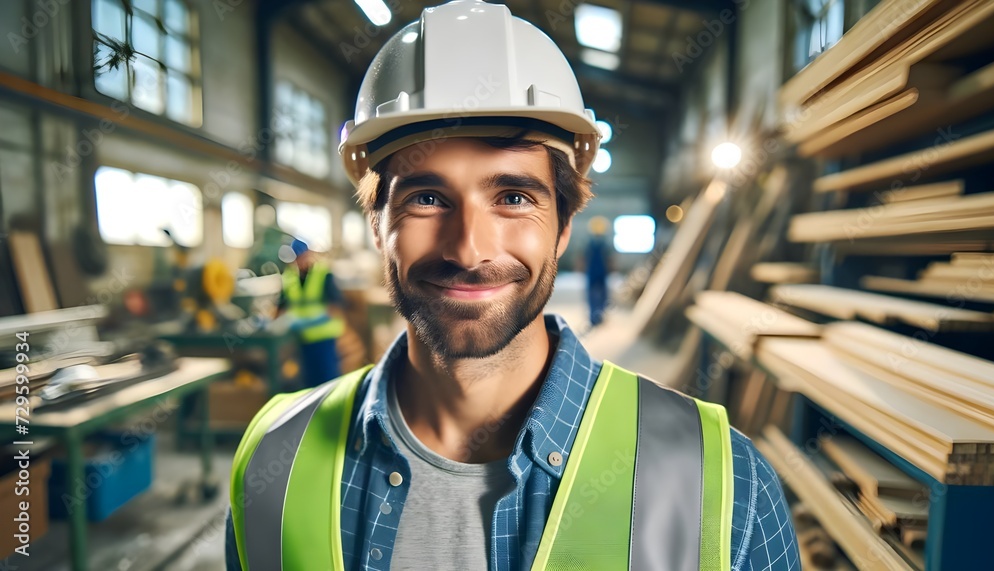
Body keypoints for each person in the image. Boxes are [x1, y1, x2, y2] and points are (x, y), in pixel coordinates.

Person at [226, 1, 799, 570]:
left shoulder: (724, 485)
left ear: (563, 227)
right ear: (377, 225)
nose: (469, 249)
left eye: (513, 198)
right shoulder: (274, 455)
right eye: (427, 198)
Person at [278, 238, 346, 387]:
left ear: (308, 254)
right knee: (309, 382)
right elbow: (281, 308)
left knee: (328, 380)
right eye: (295, 259)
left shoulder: (323, 274)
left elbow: (335, 308)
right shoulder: (290, 277)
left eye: (301, 257)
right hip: (302, 340)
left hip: (323, 339)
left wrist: (316, 320)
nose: (298, 262)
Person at [583, 216, 612, 327]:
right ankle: (594, 317)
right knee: (594, 295)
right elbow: (584, 258)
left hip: (599, 271)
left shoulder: (601, 244)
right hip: (594, 271)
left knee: (601, 295)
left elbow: (609, 258)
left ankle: (598, 316)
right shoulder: (591, 244)